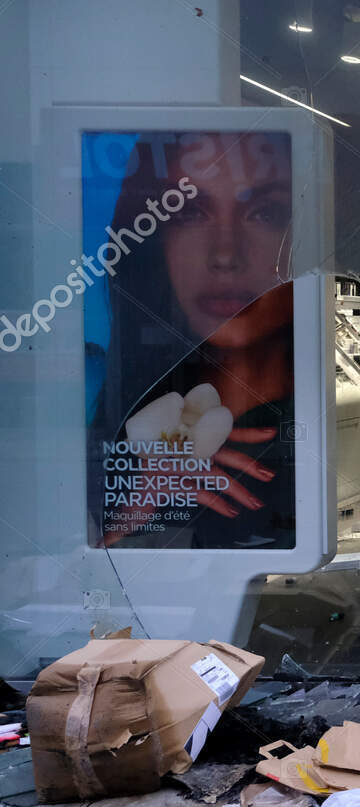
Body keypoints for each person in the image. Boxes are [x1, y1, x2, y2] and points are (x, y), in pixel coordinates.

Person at [88, 130, 297, 548]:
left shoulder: (313, 428)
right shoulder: (111, 419)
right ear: (153, 238)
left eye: (265, 213)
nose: (224, 255)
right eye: (188, 213)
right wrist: (132, 515)